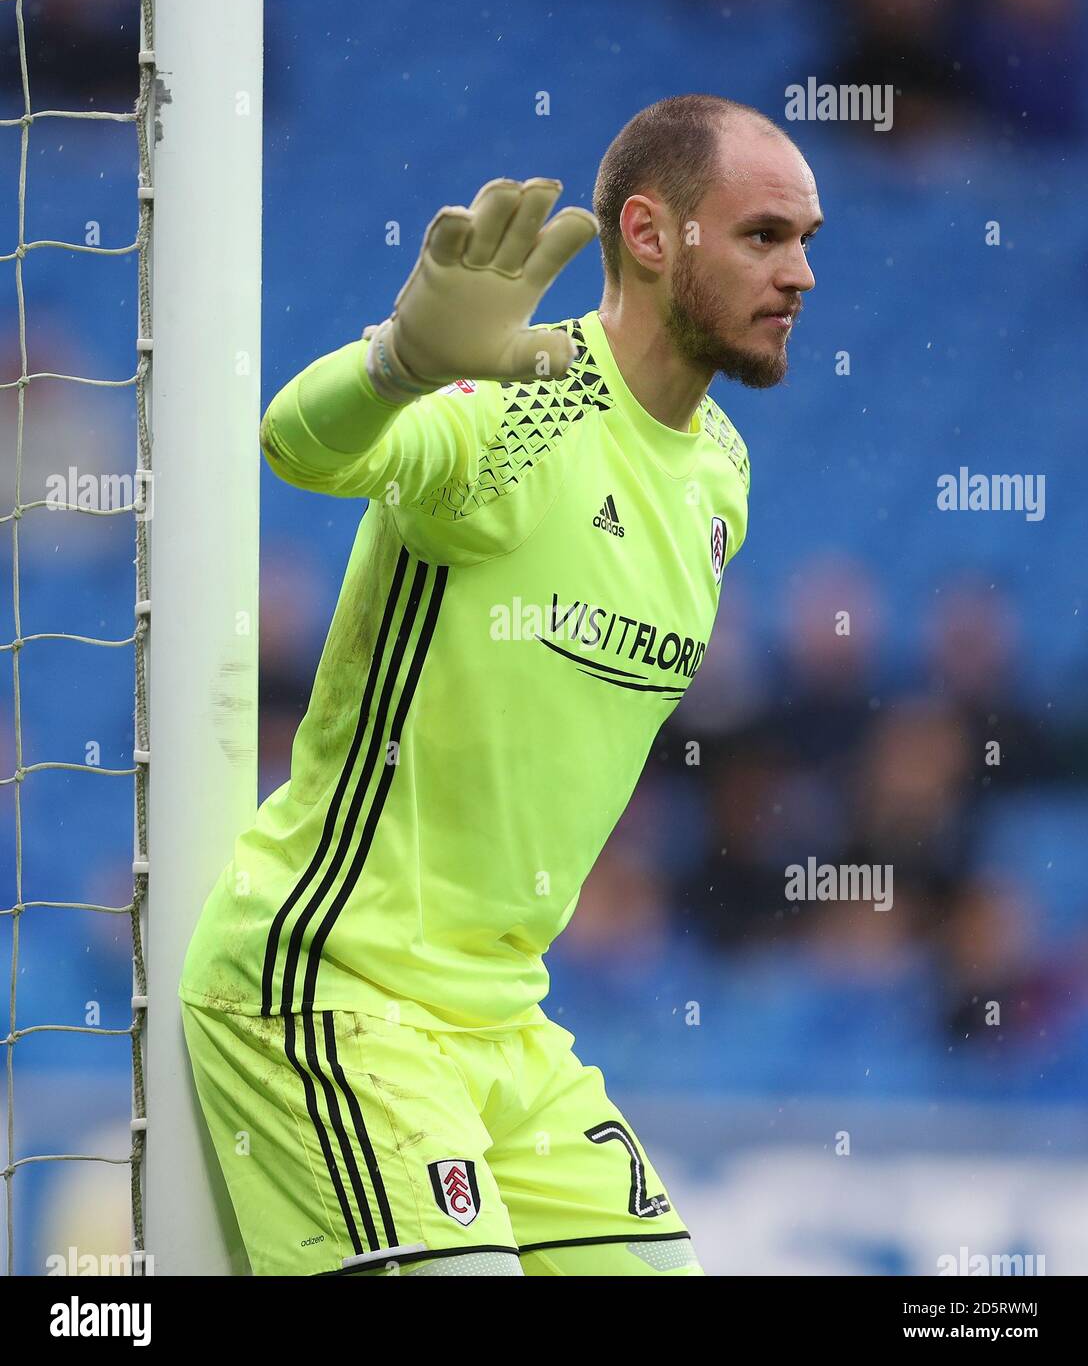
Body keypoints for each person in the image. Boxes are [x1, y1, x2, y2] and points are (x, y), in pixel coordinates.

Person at [179, 92, 822, 1277]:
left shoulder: (720, 471)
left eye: (805, 243)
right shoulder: (518, 407)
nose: (798, 274)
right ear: (646, 232)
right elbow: (299, 444)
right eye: (762, 235)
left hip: (504, 1021)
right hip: (335, 995)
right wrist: (397, 365)